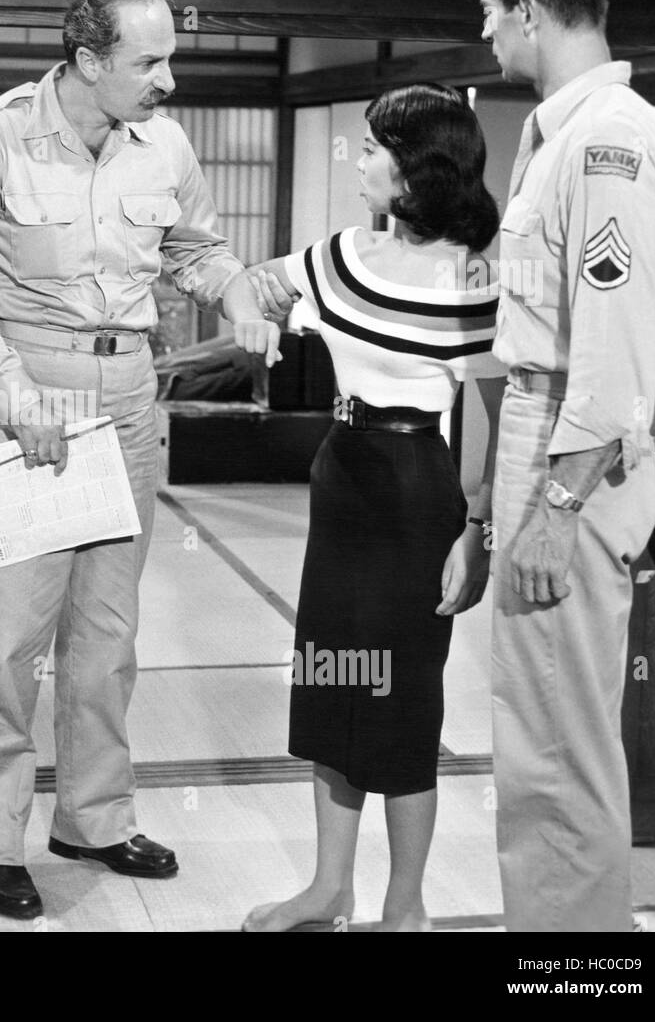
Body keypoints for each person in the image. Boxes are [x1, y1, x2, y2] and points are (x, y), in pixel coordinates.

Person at [0, 0, 282, 920]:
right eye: (150, 60)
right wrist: (10, 387)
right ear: (87, 59)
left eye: (171, 56)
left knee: (108, 636)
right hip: (27, 401)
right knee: (4, 641)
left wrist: (236, 289)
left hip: (128, 398)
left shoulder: (162, 142)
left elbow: (195, 249)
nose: (169, 79)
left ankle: (92, 815)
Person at [242, 84, 507, 933]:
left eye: (372, 147)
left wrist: (477, 530)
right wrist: (253, 312)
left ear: (415, 171)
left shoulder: (476, 281)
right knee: (330, 680)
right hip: (342, 472)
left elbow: (495, 417)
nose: (356, 159)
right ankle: (329, 889)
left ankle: (406, 905)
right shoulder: (342, 253)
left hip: (419, 485)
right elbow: (255, 280)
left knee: (402, 700)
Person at [468, 0, 655, 932]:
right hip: (543, 431)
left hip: (571, 447)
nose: (485, 37)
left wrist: (552, 505)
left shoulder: (606, 145)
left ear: (525, 8)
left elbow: (611, 352)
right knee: (541, 738)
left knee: (557, 755)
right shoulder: (568, 135)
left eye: (488, 12)